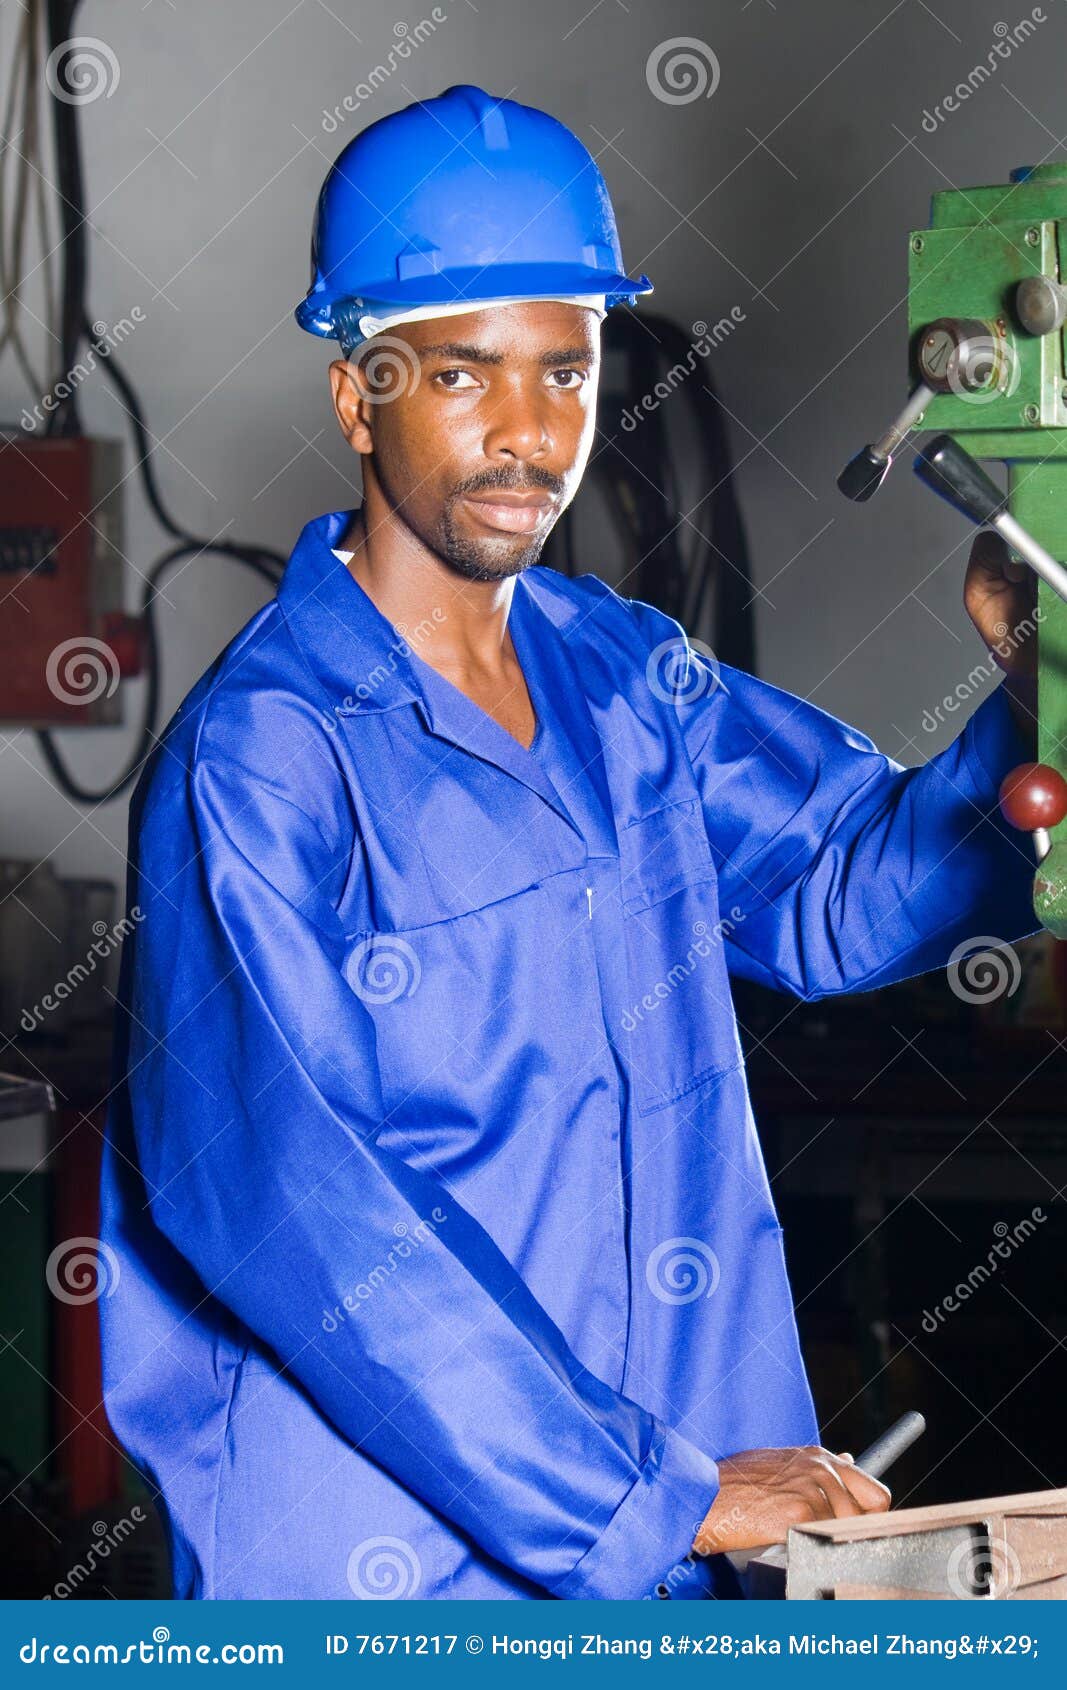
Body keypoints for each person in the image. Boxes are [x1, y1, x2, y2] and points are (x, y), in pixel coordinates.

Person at [99, 84, 1039, 1601]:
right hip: (395, 1587)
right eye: (461, 374)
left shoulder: (622, 675)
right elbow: (294, 1204)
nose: (529, 432)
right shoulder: (268, 760)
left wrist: (1033, 696)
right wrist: (643, 1491)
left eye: (567, 368)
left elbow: (844, 885)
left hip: (680, 1542)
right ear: (356, 394)